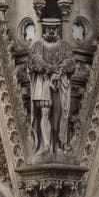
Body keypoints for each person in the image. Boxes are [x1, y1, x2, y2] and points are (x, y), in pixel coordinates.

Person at [28, 18, 75, 153]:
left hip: (60, 84)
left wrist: (60, 70)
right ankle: (46, 145)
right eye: (49, 28)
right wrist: (48, 67)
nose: (51, 31)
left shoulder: (64, 46)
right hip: (44, 81)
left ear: (58, 29)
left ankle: (59, 142)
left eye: (54, 28)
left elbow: (70, 62)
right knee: (45, 111)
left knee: (58, 116)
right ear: (44, 28)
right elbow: (33, 60)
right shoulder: (38, 45)